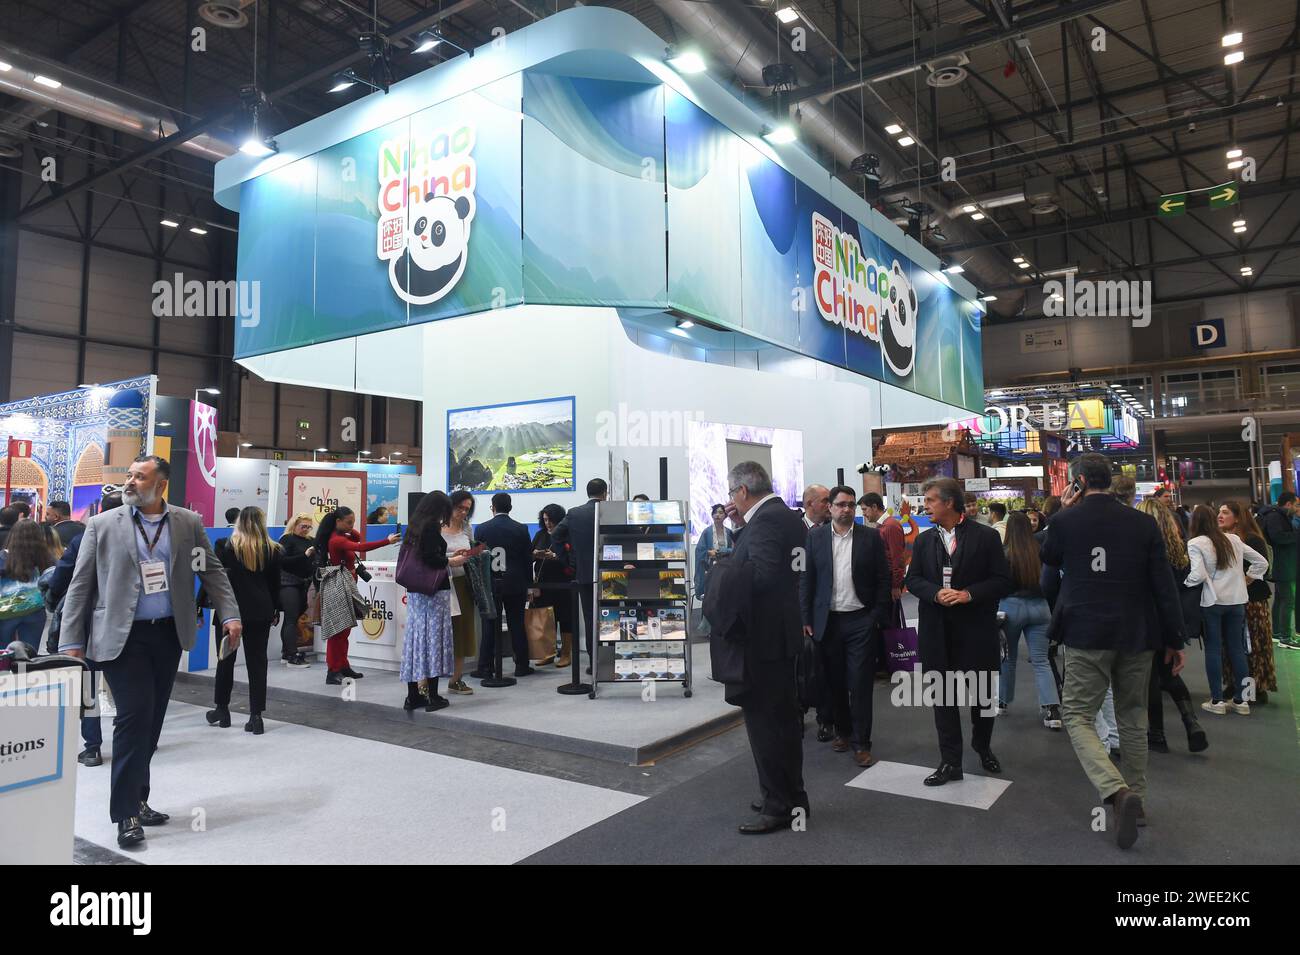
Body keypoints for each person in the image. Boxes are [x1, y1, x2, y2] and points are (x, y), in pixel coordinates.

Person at [60, 455, 242, 849]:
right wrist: (71, 642)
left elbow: (211, 572)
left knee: (153, 720)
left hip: (167, 636)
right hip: (120, 638)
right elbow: (80, 586)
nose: (130, 481)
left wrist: (230, 614)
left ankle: (138, 798)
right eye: (129, 475)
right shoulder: (101, 525)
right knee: (134, 717)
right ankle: (124, 812)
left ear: (161, 485)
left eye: (139, 476)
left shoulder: (186, 524)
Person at [1041, 453, 1185, 850]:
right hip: (1138, 633)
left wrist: (1060, 513)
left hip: (1085, 633)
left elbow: (1047, 557)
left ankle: (1115, 790)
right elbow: (1163, 584)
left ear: (1079, 482)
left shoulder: (1066, 521)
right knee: (1134, 717)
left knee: (1077, 714)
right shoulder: (1143, 523)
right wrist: (1175, 638)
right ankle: (1136, 802)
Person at [720, 461, 808, 834]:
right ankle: (790, 797)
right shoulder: (784, 516)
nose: (730, 502)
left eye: (731, 494)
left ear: (742, 491)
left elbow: (763, 574)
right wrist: (741, 530)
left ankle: (779, 805)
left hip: (764, 641)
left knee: (767, 725)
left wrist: (724, 572)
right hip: (780, 637)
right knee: (783, 722)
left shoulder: (767, 520)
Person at [905, 478, 1011, 786]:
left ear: (949, 503)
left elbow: (1002, 581)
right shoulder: (925, 541)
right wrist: (936, 593)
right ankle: (950, 761)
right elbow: (914, 581)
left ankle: (983, 745)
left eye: (929, 501)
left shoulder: (986, 537)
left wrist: (968, 594)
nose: (925, 507)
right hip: (937, 632)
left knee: (982, 698)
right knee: (944, 698)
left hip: (976, 631)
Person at [799, 485, 891, 767]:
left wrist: (876, 616)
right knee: (834, 682)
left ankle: (862, 743)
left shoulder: (871, 537)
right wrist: (806, 618)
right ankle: (843, 732)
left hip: (860, 620)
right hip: (828, 622)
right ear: (830, 508)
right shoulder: (814, 538)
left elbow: (883, 579)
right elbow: (807, 580)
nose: (847, 509)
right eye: (841, 505)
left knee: (860, 684)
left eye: (851, 505)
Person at [44, 488, 125, 766]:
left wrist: (54, 601)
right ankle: (132, 739)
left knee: (88, 684)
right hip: (126, 624)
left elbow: (62, 575)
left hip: (90, 621)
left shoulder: (85, 537)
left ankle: (92, 748)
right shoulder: (138, 540)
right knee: (126, 686)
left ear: (101, 509)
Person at [1137, 498, 1208, 753]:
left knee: (1152, 679)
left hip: (1147, 619)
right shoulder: (1179, 550)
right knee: (1169, 674)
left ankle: (1157, 733)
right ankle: (1191, 722)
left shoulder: (1143, 550)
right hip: (1172, 618)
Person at [206, 507, 283, 735]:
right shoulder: (273, 549)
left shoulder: (225, 546)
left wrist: (202, 606)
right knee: (258, 664)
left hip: (230, 612)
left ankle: (222, 709)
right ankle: (256, 716)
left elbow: (217, 580)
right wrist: (275, 609)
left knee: (225, 661)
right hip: (261, 610)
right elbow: (274, 585)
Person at [1185, 504, 1267, 715]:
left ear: (1194, 523)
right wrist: (1247, 579)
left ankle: (1217, 701)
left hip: (1212, 603)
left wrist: (1182, 585)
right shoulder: (1234, 539)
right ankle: (1242, 701)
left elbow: (1197, 575)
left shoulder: (1195, 543)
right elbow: (1261, 562)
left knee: (1213, 649)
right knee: (1237, 649)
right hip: (1237, 601)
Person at [316, 506, 400, 685]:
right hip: (339, 587)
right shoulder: (336, 540)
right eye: (348, 522)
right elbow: (361, 546)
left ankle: (343, 665)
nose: (351, 526)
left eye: (353, 522)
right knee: (338, 631)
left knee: (344, 630)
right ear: (337, 522)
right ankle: (333, 670)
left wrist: (344, 525)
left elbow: (356, 537)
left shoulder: (339, 535)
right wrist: (387, 541)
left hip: (347, 585)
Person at [399, 491, 462, 712]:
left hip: (416, 594)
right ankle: (434, 696)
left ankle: (413, 696)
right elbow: (432, 559)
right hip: (434, 593)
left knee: (417, 643)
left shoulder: (413, 527)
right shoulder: (431, 528)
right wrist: (451, 560)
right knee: (435, 641)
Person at [998, 511, 1060, 729]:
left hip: (1011, 607)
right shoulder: (1041, 550)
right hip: (1041, 608)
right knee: (1041, 661)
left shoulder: (1004, 553)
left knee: (1008, 658)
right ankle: (1052, 711)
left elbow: (1000, 585)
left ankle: (1003, 701)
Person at [1219, 501, 1277, 704]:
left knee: (1253, 646)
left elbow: (1261, 564)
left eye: (1225, 512)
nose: (1220, 516)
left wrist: (1242, 583)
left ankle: (1254, 689)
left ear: (1237, 517)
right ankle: (1235, 684)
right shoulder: (1223, 539)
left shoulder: (1252, 540)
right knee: (1233, 645)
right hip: (1230, 602)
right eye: (1219, 512)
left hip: (1252, 602)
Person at [473, 492, 535, 678]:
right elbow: (527, 559)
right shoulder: (521, 529)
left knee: (489, 624)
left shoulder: (482, 529)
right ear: (510, 507)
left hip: (491, 583)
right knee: (517, 623)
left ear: (493, 507)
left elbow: (479, 559)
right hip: (516, 582)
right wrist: (529, 584)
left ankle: (485, 666)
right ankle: (522, 665)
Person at [549, 478, 606, 673]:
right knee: (612, 617)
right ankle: (612, 659)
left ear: (587, 492)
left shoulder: (574, 513)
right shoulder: (612, 510)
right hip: (611, 573)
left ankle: (594, 662)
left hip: (584, 574)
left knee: (590, 618)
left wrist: (567, 561)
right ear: (605, 493)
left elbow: (555, 536)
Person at [443, 491, 480, 690]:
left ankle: (456, 678)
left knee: (463, 632)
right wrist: (451, 557)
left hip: (463, 583)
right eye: (460, 508)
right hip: (440, 585)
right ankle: (426, 681)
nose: (463, 513)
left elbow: (472, 550)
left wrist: (472, 554)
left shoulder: (467, 528)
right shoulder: (436, 527)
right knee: (440, 632)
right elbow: (430, 555)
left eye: (467, 509)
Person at [0, 519, 53, 653]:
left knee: (4, 654)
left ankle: (7, 673)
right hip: (35, 610)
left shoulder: (2, 557)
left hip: (5, 612)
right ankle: (25, 672)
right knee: (30, 653)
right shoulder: (46, 557)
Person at [531, 503, 574, 669]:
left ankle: (566, 653)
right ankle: (547, 653)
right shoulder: (540, 534)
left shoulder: (566, 534)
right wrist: (536, 554)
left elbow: (571, 558)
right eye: (545, 520)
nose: (548, 523)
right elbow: (530, 553)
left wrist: (555, 556)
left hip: (563, 582)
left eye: (551, 520)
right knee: (546, 619)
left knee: (565, 618)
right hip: (543, 583)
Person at [1255, 492, 1296, 650]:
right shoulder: (1275, 517)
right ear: (1288, 504)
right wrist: (1296, 536)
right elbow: (1278, 537)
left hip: (1281, 563)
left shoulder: (1274, 515)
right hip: (1281, 564)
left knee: (1280, 598)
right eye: (1295, 504)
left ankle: (1278, 633)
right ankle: (1285, 636)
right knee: (1288, 600)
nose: (1296, 508)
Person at [277, 513, 316, 668]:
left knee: (291, 619)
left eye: (308, 527)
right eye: (303, 526)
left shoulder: (311, 541)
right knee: (291, 618)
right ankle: (292, 655)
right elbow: (282, 562)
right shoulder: (286, 539)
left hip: (304, 583)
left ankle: (287, 653)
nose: (306, 529)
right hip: (287, 582)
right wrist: (304, 555)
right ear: (294, 525)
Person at [858, 493, 904, 601]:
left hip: (889, 582)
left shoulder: (891, 526)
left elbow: (897, 558)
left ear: (874, 507)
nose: (863, 514)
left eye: (865, 509)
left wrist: (895, 585)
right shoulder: (883, 525)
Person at [694, 503, 734, 603]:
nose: (717, 515)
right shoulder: (707, 532)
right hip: (710, 568)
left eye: (720, 513)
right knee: (710, 596)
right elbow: (699, 550)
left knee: (724, 595)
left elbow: (735, 549)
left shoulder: (729, 532)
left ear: (725, 515)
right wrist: (708, 552)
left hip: (725, 568)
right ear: (712, 515)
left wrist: (723, 551)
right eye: (715, 512)